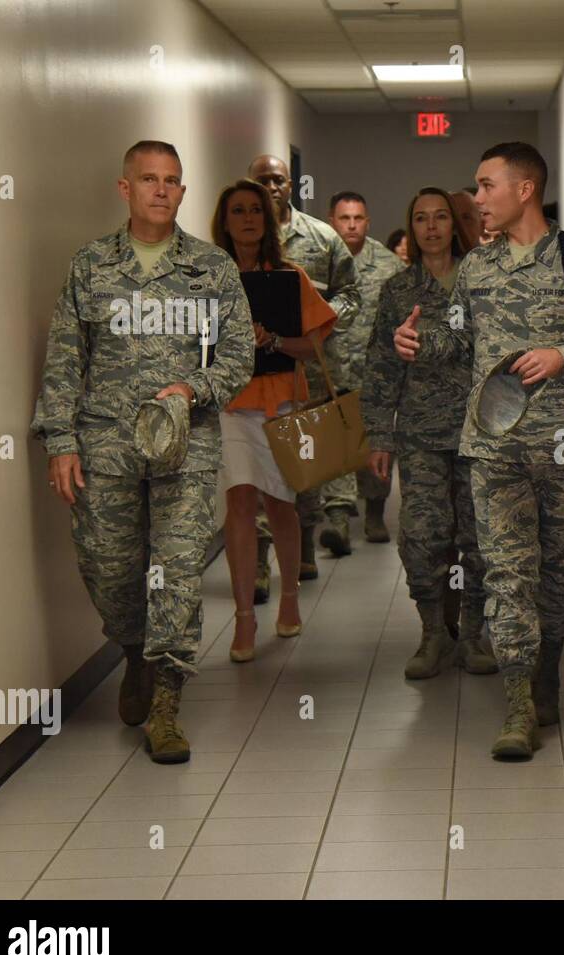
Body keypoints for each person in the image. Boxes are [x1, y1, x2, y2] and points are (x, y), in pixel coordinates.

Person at [396, 143, 564, 759]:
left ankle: (548, 667)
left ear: (524, 190)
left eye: (486, 186)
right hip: (493, 447)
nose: (476, 200)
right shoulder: (477, 269)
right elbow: (455, 339)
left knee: (559, 568)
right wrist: (417, 342)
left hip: (563, 444)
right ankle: (518, 702)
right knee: (506, 572)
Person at [31, 140, 254, 764]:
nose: (162, 189)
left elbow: (238, 358)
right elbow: (63, 360)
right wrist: (61, 441)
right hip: (105, 445)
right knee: (110, 567)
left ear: (184, 192)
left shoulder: (210, 269)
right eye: (149, 179)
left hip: (185, 444)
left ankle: (165, 700)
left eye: (173, 181)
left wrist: (194, 386)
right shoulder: (92, 266)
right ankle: (133, 649)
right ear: (124, 188)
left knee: (178, 572)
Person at [363, 187, 494, 678]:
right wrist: (379, 435)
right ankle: (433, 633)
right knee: (422, 536)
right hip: (420, 435)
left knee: (479, 538)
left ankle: (474, 633)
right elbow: (380, 366)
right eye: (421, 218)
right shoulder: (398, 290)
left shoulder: (481, 280)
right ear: (411, 227)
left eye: (441, 217)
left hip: (482, 433)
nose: (433, 226)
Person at [211, 179, 337, 661]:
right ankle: (244, 617)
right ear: (224, 221)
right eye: (237, 210)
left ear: (267, 220)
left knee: (280, 504)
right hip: (229, 405)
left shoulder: (290, 278)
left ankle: (288, 597)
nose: (246, 218)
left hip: (280, 401)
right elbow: (194, 345)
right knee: (239, 504)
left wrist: (273, 341)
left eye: (255, 211)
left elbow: (314, 345)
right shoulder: (208, 280)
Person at [247, 155, 360, 589]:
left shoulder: (321, 237)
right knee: (259, 463)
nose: (271, 187)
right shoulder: (239, 236)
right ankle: (259, 562)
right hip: (255, 370)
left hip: (306, 365)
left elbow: (350, 292)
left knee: (305, 459)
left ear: (291, 184)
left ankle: (306, 548)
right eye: (262, 181)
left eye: (277, 180)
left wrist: (325, 321)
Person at [328, 191, 405, 542]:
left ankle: (375, 515)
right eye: (345, 218)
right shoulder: (321, 260)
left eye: (358, 218)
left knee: (376, 443)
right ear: (333, 221)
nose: (352, 225)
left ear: (368, 222)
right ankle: (338, 520)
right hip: (330, 369)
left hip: (375, 373)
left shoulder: (389, 265)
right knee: (335, 448)